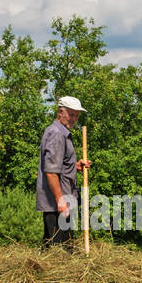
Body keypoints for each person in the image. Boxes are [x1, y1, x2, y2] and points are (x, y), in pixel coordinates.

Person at [35, 96, 91, 252]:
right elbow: (51, 172)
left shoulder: (61, 133)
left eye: (77, 116)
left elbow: (58, 165)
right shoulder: (57, 134)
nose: (74, 119)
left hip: (61, 200)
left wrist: (74, 166)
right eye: (71, 115)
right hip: (57, 203)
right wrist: (60, 201)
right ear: (60, 112)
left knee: (54, 246)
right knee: (60, 249)